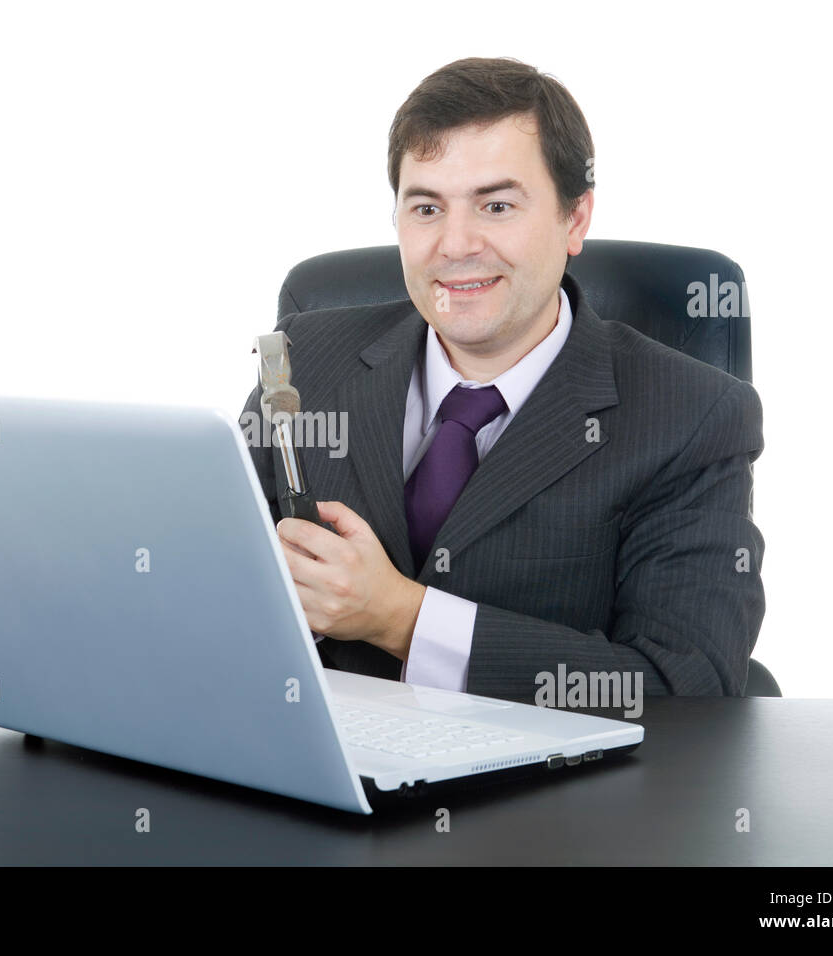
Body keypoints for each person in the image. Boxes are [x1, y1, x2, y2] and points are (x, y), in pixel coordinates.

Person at [240, 57, 765, 698]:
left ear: (575, 219)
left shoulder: (694, 415)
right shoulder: (306, 360)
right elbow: (216, 583)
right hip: (315, 774)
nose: (456, 244)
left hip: (547, 792)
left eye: (496, 204)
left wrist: (403, 619)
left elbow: (688, 688)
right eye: (426, 208)